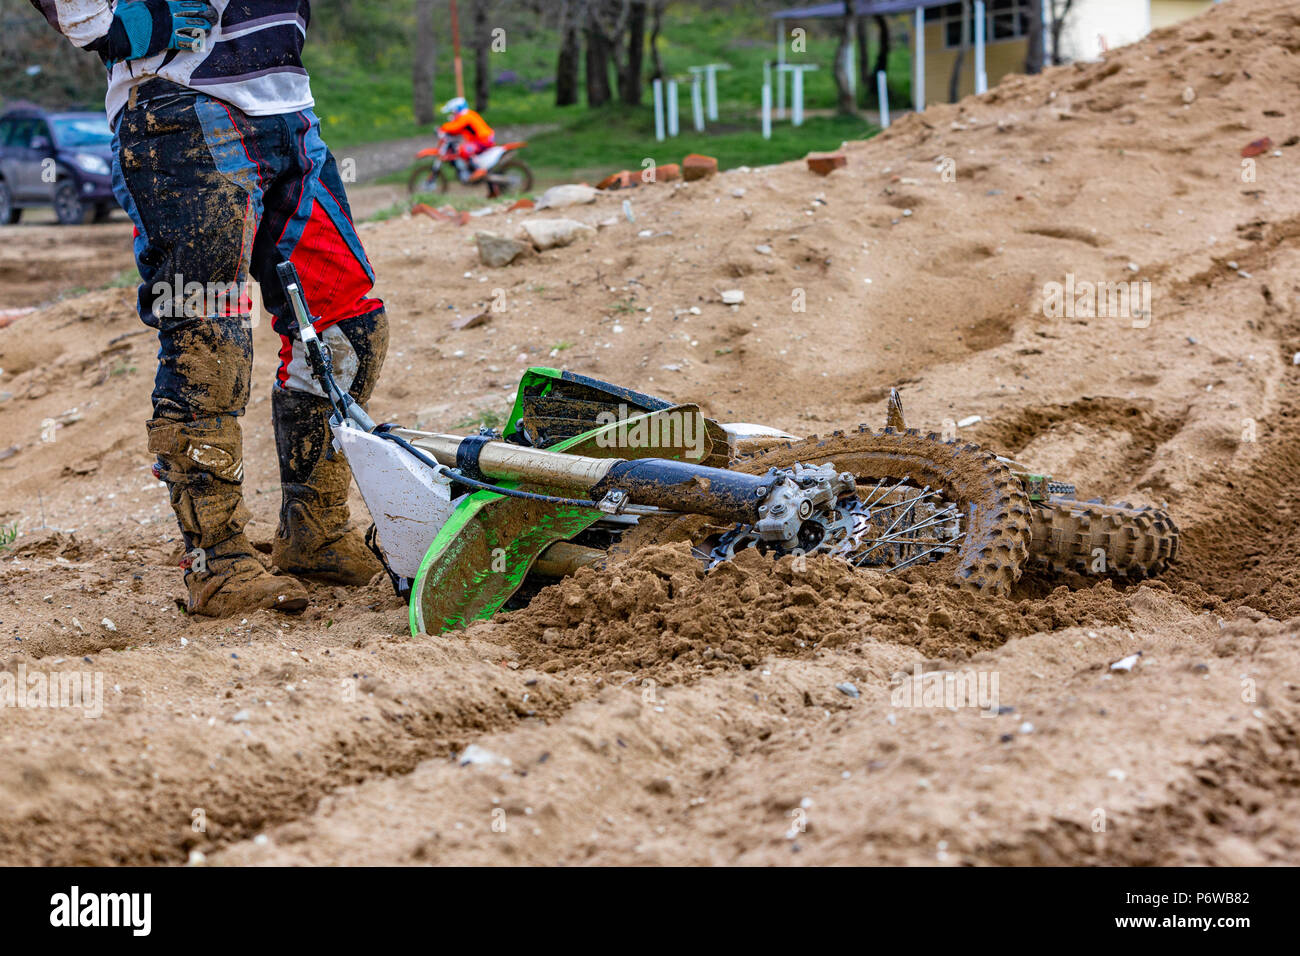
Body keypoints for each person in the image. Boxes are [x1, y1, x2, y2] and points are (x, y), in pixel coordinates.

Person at [29, 0, 388, 616]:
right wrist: (112, 23)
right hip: (177, 105)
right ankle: (216, 561)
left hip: (289, 106)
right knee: (206, 333)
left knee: (349, 326)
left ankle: (316, 532)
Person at [438, 96, 495, 182]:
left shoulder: (466, 117)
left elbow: (455, 126)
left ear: (457, 110)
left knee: (463, 150)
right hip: (481, 140)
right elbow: (458, 129)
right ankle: (469, 169)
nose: (453, 115)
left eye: (453, 112)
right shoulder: (467, 115)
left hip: (483, 140)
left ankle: (478, 170)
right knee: (462, 148)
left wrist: (442, 128)